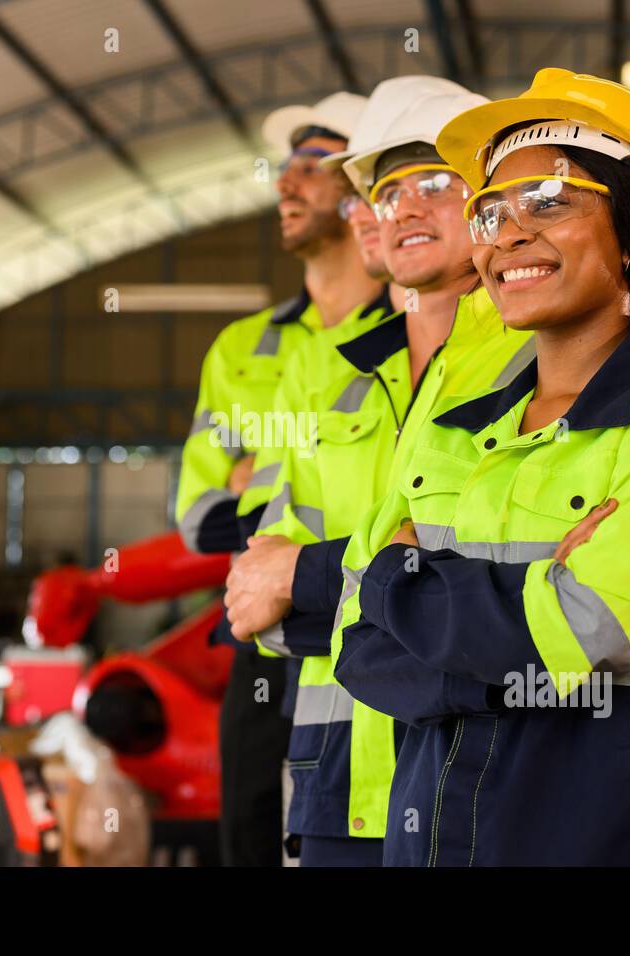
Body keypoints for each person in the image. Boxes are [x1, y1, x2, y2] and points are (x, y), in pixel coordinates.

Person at [333, 68, 630, 866]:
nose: (507, 235)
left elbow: (588, 623)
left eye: (551, 202)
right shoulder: (453, 430)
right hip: (435, 835)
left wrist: (407, 581)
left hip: (616, 835)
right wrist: (528, 618)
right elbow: (357, 649)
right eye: (491, 212)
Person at [222, 76, 535, 866]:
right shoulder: (335, 384)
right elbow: (260, 603)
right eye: (386, 190)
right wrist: (373, 583)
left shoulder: (536, 362)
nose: (406, 207)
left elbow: (505, 588)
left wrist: (316, 579)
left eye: (436, 181)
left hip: (485, 769)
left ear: (489, 204)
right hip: (337, 777)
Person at [174, 92, 391, 867]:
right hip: (262, 637)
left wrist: (263, 470)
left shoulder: (415, 330)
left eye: (311, 164)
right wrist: (291, 493)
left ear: (364, 182)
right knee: (253, 830)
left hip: (377, 619)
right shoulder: (243, 347)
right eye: (285, 167)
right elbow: (200, 516)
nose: (286, 184)